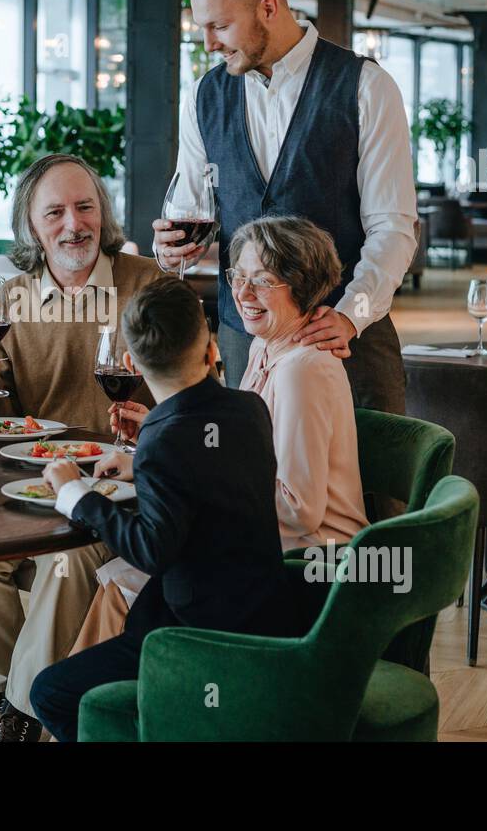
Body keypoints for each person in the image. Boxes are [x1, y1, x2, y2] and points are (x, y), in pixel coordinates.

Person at [75, 216, 368, 651]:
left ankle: (103, 707)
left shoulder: (302, 370)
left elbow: (299, 509)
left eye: (263, 281)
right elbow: (236, 458)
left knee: (127, 580)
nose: (243, 294)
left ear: (303, 286)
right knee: (129, 572)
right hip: (270, 546)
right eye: (239, 276)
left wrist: (181, 473)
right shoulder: (264, 347)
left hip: (314, 566)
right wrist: (154, 448)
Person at [29, 278, 302, 742]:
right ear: (211, 346)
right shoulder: (249, 408)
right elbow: (215, 472)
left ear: (132, 363)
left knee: (50, 693)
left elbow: (152, 548)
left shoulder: (163, 439)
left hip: (198, 636)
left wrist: (76, 493)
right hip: (263, 611)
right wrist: (141, 464)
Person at [0, 152, 164, 741]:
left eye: (85, 206)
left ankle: (22, 710)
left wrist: (155, 425)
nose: (75, 224)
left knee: (67, 566)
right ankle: (5, 686)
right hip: (29, 489)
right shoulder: (5, 301)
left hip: (115, 496)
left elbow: (193, 397)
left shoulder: (147, 286)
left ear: (102, 213)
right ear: (33, 227)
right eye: (56, 212)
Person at [156, 0, 416, 413]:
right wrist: (172, 247)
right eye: (202, 28)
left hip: (344, 339)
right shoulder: (201, 97)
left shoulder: (366, 87)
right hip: (246, 342)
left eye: (220, 25)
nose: (209, 43)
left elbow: (393, 227)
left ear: (269, 6)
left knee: (369, 483)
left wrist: (350, 315)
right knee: (255, 480)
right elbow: (191, 210)